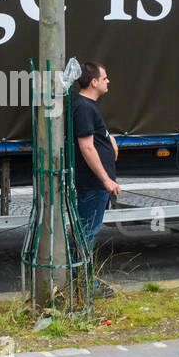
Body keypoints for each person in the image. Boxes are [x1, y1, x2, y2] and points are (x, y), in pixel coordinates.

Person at [72, 61, 121, 246]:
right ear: (94, 82)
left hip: (95, 183)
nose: (108, 81)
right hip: (93, 183)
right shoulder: (84, 107)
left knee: (88, 230)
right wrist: (106, 180)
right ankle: (82, 275)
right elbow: (87, 147)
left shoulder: (86, 105)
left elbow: (96, 135)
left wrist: (110, 139)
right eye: (104, 78)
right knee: (87, 232)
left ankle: (83, 273)